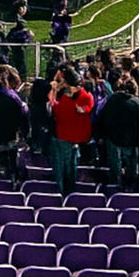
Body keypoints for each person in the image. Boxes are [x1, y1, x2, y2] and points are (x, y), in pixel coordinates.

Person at [49, 67, 94, 196]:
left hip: (64, 136)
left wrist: (54, 90)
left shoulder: (67, 103)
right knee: (72, 164)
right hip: (77, 137)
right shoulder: (87, 96)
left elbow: (54, 108)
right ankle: (70, 189)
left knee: (62, 166)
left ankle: (63, 191)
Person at [97, 76, 139, 188]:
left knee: (115, 165)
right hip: (131, 140)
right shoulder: (137, 103)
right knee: (132, 164)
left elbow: (103, 118)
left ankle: (115, 186)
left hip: (113, 138)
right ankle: (131, 185)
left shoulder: (112, 100)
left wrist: (101, 135)